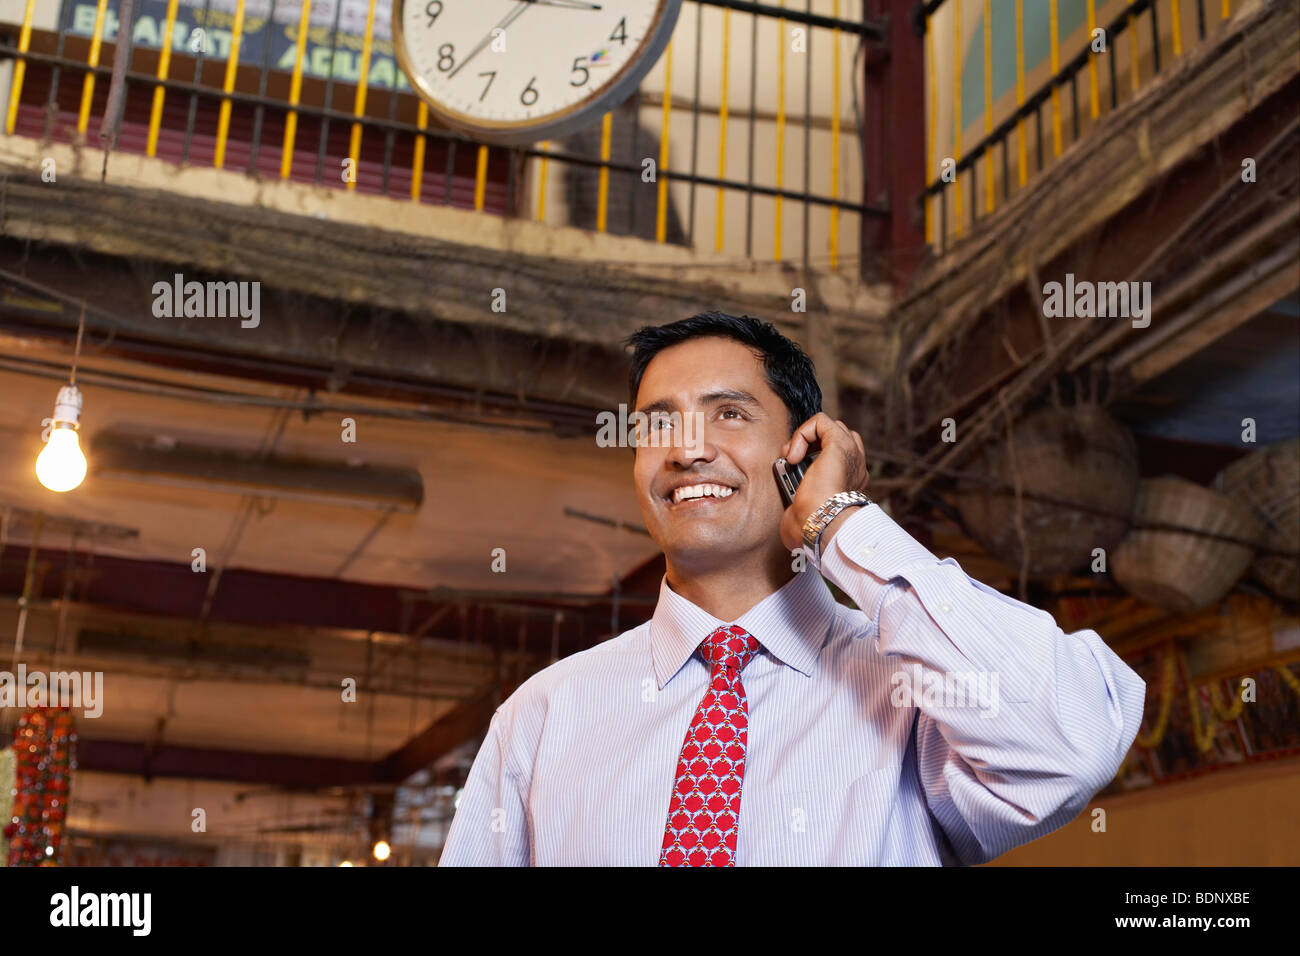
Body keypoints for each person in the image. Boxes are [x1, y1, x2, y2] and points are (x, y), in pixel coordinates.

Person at [439, 311, 1146, 866]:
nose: (687, 449)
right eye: (660, 423)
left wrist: (837, 524)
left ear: (801, 451)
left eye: (730, 413)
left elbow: (1067, 743)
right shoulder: (542, 718)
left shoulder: (912, 692)